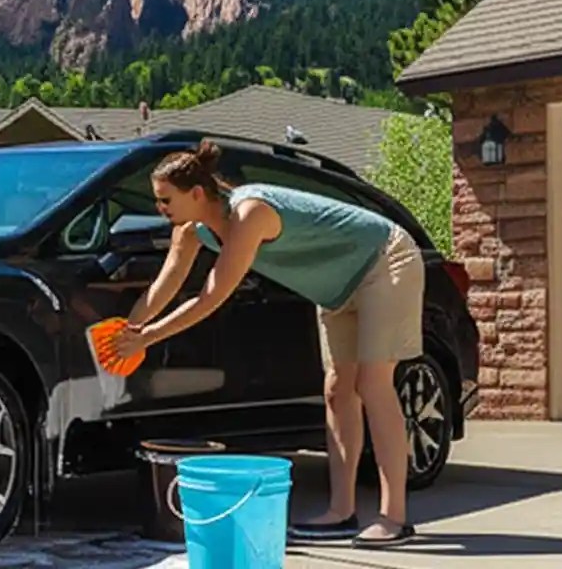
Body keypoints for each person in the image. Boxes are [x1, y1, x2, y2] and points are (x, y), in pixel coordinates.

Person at [114, 138, 423, 548]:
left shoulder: (249, 212)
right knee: (336, 390)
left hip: (385, 260)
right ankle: (342, 511)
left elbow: (213, 294)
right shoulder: (191, 231)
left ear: (197, 193)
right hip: (336, 288)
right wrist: (128, 330)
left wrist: (148, 339)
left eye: (165, 199)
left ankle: (394, 517)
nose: (160, 209)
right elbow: (164, 287)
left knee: (372, 382)